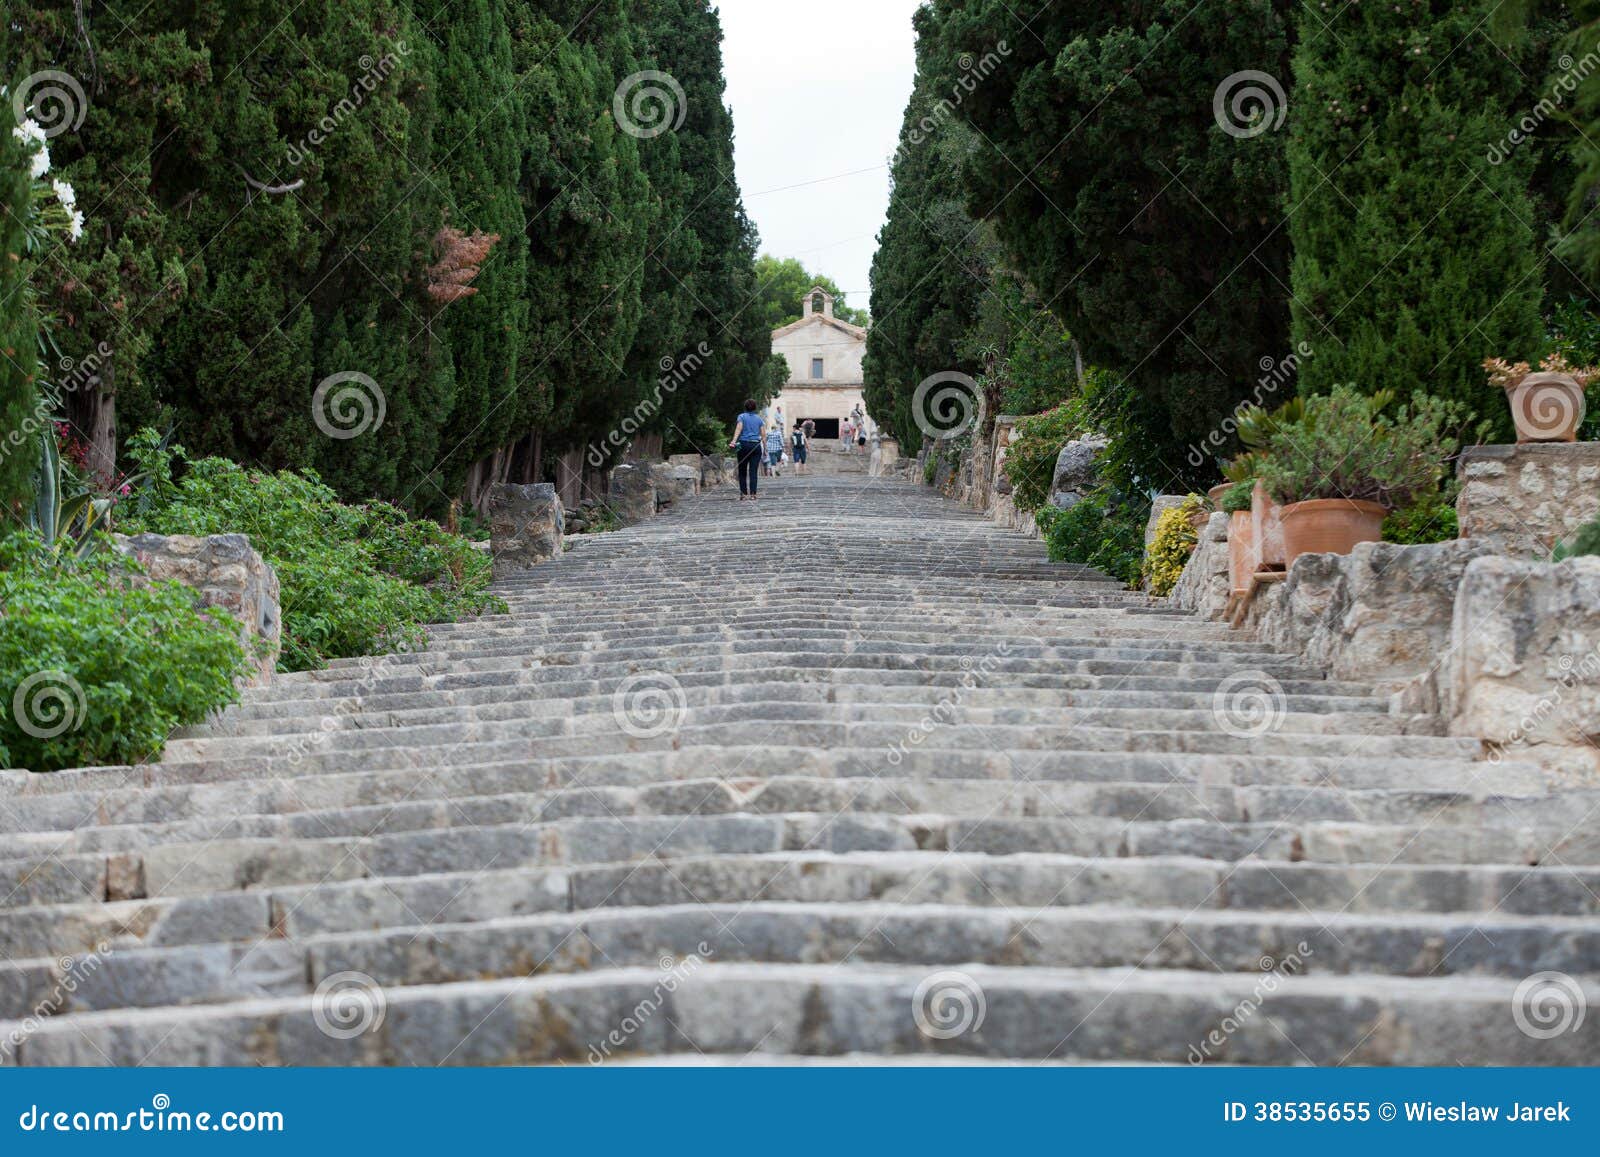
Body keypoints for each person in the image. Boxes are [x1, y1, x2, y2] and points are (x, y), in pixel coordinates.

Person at [728, 399, 765, 500]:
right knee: (753, 471)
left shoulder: (741, 416)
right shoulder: (759, 419)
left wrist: (733, 441)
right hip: (756, 446)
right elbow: (763, 434)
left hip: (743, 445)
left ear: (745, 407)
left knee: (742, 470)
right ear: (755, 407)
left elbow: (738, 429)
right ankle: (753, 494)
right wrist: (765, 448)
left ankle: (743, 494)